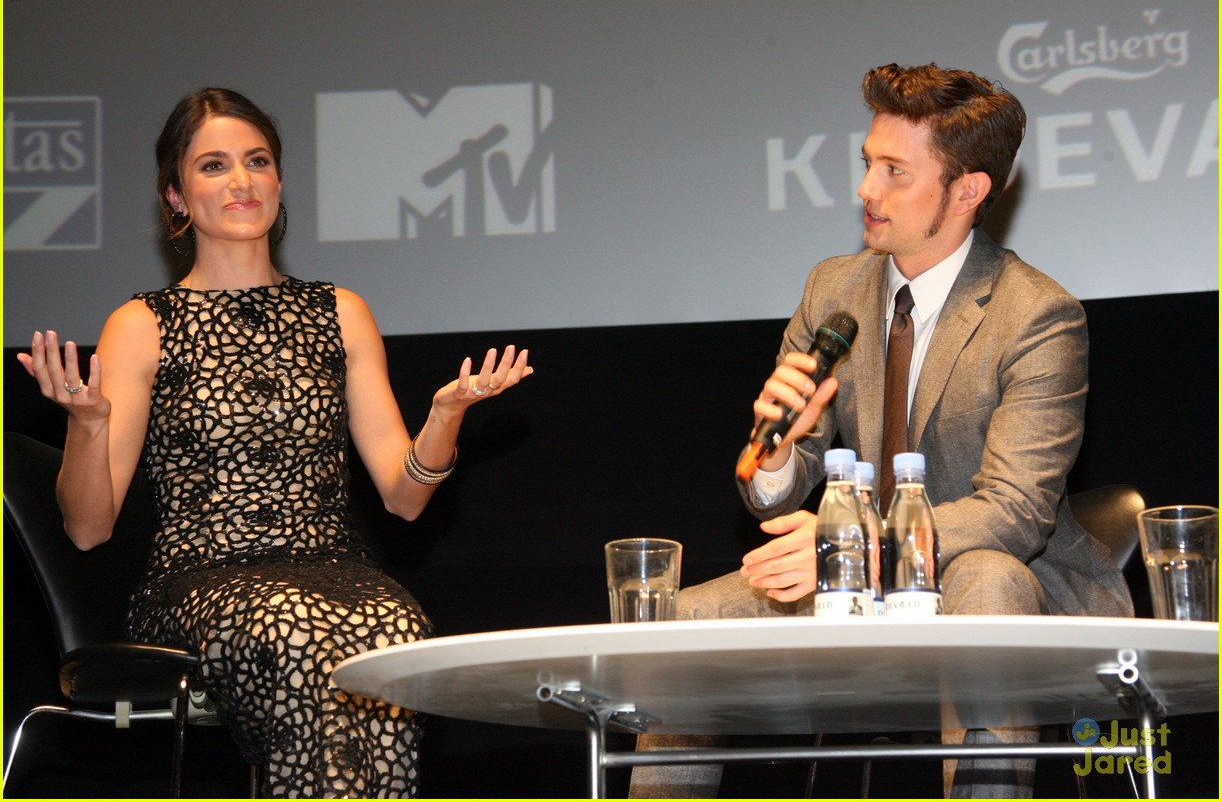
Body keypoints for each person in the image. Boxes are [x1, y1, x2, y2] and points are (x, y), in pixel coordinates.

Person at [631, 63, 1132, 798]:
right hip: (858, 584)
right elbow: (775, 497)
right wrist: (776, 452)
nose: (867, 189)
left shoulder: (1038, 316)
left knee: (986, 582)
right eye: (868, 163)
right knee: (690, 619)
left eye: (896, 171)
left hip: (1000, 582)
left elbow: (1014, 515)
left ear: (968, 191)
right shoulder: (832, 289)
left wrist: (851, 543)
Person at [17, 87, 533, 797]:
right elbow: (86, 527)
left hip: (333, 569)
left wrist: (444, 415)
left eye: (257, 161)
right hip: (199, 580)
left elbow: (405, 499)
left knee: (394, 624)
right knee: (292, 627)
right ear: (175, 196)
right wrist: (88, 421)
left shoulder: (340, 313)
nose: (241, 181)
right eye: (213, 166)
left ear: (279, 180)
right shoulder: (143, 324)